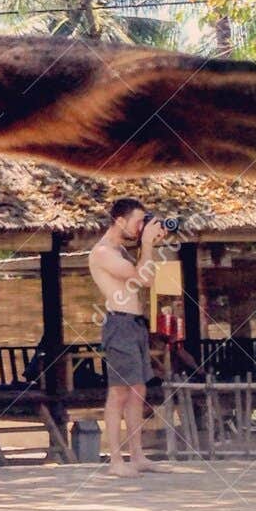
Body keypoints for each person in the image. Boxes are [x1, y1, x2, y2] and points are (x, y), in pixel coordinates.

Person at [87, 198, 166, 478]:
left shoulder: (122, 249)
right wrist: (146, 245)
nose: (139, 227)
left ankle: (138, 455)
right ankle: (116, 460)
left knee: (138, 391)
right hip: (119, 325)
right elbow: (142, 278)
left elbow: (149, 277)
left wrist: (150, 245)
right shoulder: (103, 252)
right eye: (137, 221)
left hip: (134, 324)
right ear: (119, 220)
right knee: (118, 392)